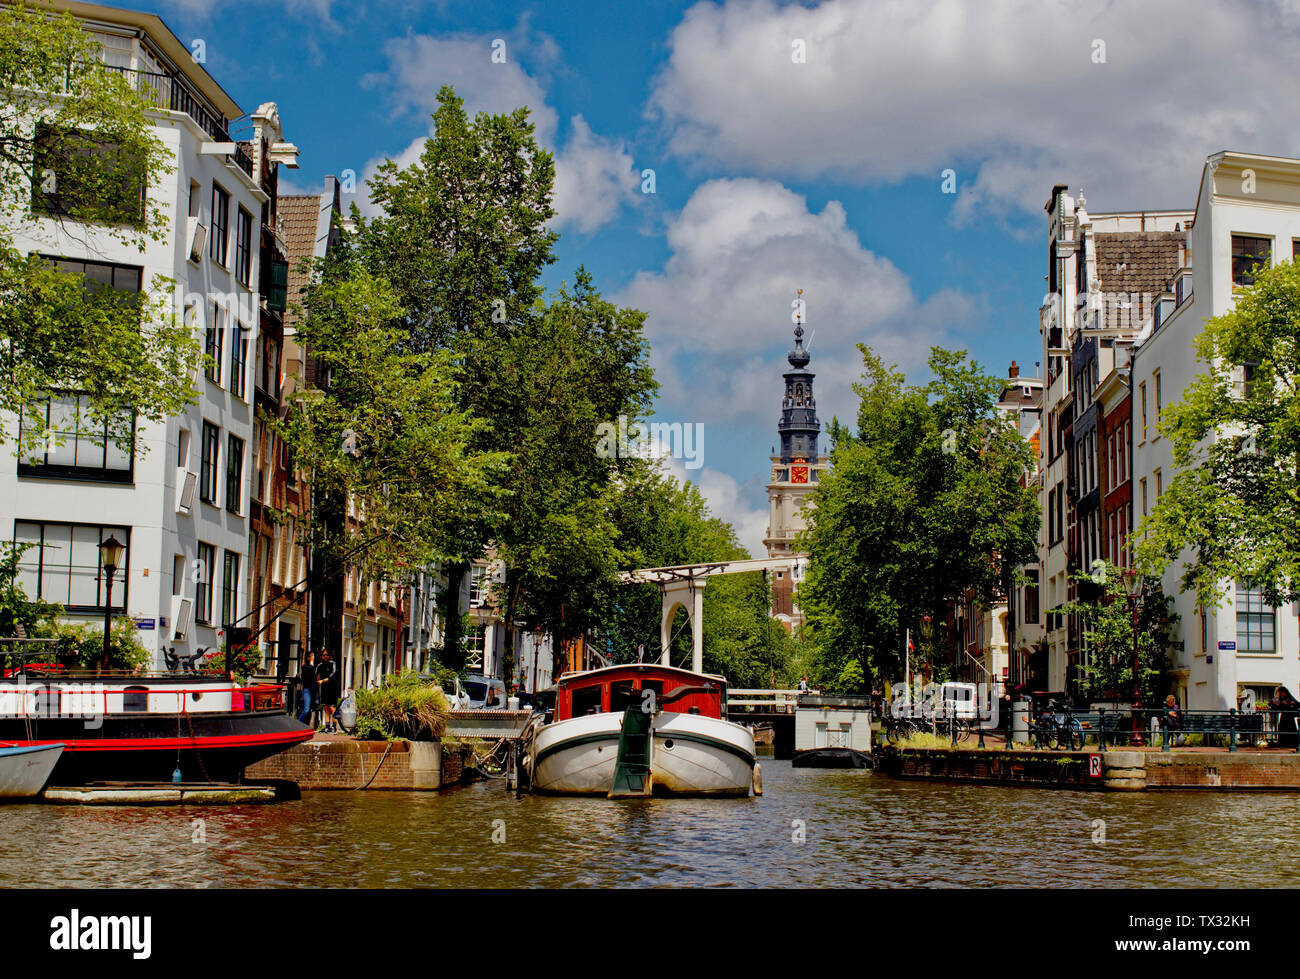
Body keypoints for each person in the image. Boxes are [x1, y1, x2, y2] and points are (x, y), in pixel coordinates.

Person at [317, 649, 340, 733]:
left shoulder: (333, 664)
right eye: (323, 655)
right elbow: (317, 675)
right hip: (324, 689)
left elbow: (333, 675)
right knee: (326, 707)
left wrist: (323, 680)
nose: (325, 656)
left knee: (332, 707)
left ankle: (334, 726)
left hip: (332, 688)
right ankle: (327, 726)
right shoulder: (319, 666)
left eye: (327, 655)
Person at [297, 651, 316, 726]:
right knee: (306, 709)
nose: (313, 657)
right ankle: (298, 724)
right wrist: (311, 663)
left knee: (310, 710)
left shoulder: (313, 667)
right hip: (306, 689)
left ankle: (306, 725)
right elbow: (310, 673)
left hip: (312, 690)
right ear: (308, 658)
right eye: (311, 656)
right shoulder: (305, 667)